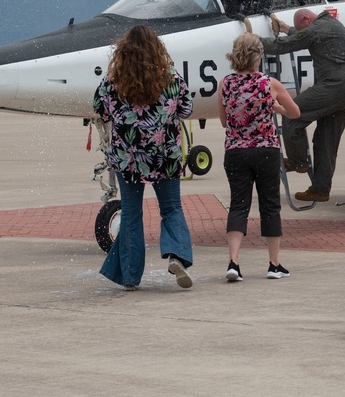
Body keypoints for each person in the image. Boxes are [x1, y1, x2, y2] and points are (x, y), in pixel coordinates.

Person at [93, 25, 195, 291]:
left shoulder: (113, 81)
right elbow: (187, 110)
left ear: (124, 50)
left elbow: (100, 110)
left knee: (131, 213)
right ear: (157, 49)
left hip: (128, 157)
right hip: (164, 155)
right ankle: (177, 256)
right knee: (171, 208)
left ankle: (129, 277)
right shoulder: (171, 78)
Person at [217, 33, 300, 281]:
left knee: (238, 205)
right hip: (266, 150)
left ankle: (233, 262)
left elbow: (224, 121)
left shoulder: (225, 84)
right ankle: (274, 265)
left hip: (235, 151)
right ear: (258, 56)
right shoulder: (269, 83)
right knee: (270, 205)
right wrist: (275, 107)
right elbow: (295, 112)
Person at [261, 8, 345, 202]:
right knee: (326, 141)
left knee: (291, 114)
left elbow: (287, 44)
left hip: (334, 86)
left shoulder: (317, 29)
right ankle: (320, 190)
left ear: (307, 20)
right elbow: (304, 35)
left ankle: (298, 162)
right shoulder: (331, 24)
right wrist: (288, 29)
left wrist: (255, 42)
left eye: (301, 28)